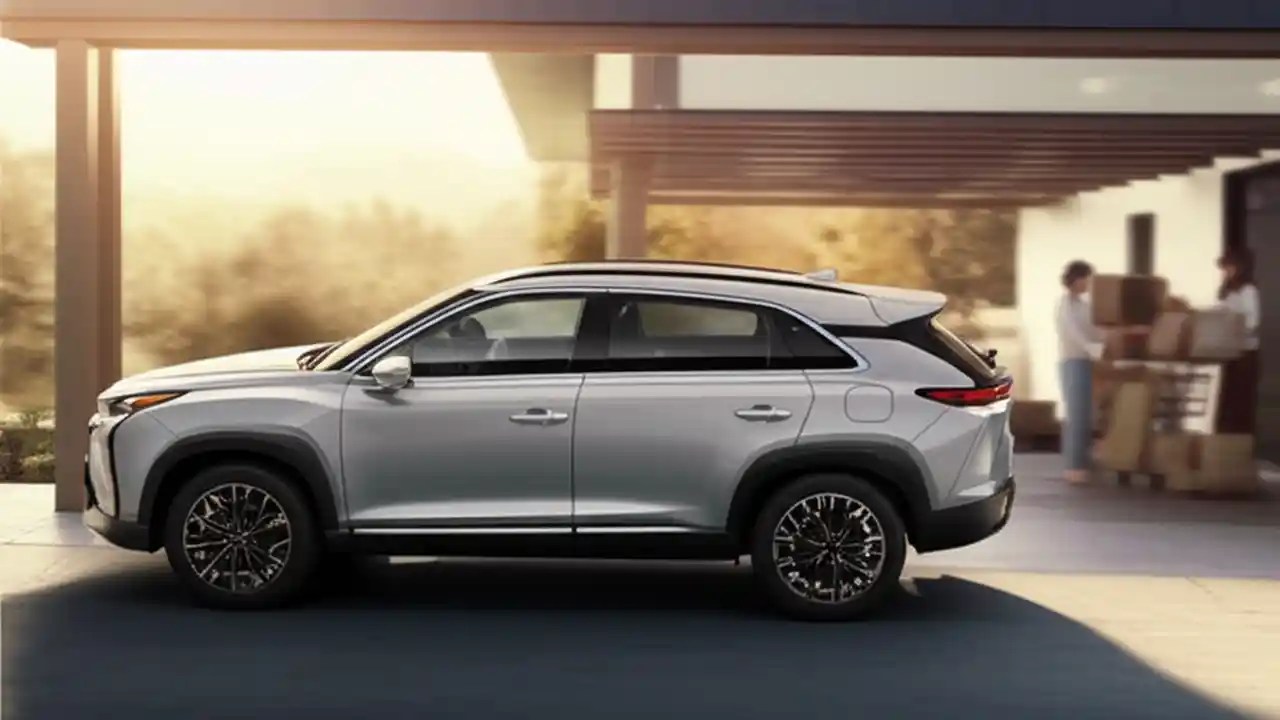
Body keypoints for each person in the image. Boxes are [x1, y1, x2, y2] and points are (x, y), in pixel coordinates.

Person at [1056, 260, 1105, 484]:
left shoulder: (1085, 306)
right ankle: (1074, 466)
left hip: (1087, 361)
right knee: (1077, 414)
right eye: (1086, 278)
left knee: (1087, 414)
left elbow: (1096, 330)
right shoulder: (1064, 305)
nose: (1088, 283)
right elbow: (1073, 333)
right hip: (1073, 361)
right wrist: (1092, 348)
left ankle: (1084, 463)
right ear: (1075, 279)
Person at [1215, 248, 1261, 435]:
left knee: (1242, 400)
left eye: (1229, 267)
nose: (1226, 271)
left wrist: (1234, 327)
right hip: (1230, 352)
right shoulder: (1228, 292)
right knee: (1229, 400)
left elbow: (1253, 321)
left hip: (1245, 353)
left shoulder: (1248, 290)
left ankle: (1241, 443)